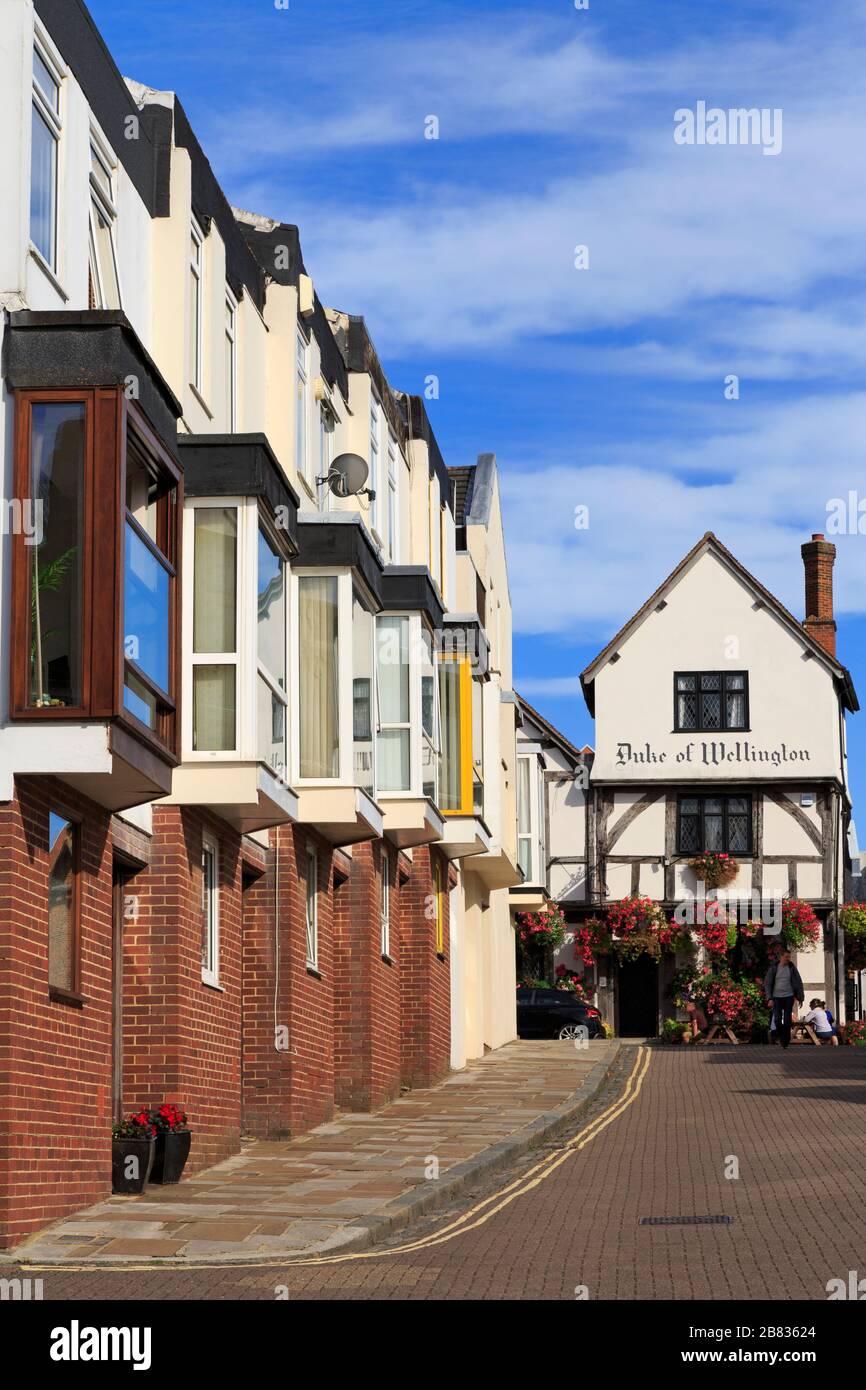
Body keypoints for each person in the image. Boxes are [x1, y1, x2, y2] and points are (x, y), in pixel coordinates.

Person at [764, 950, 805, 1049]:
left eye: (789, 957)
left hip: (789, 997)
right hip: (777, 997)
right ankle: (782, 1037)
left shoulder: (791, 967)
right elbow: (768, 983)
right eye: (786, 957)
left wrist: (800, 997)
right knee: (777, 1020)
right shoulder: (774, 968)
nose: (788, 959)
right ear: (781, 957)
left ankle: (785, 1041)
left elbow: (798, 982)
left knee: (787, 1021)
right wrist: (769, 998)